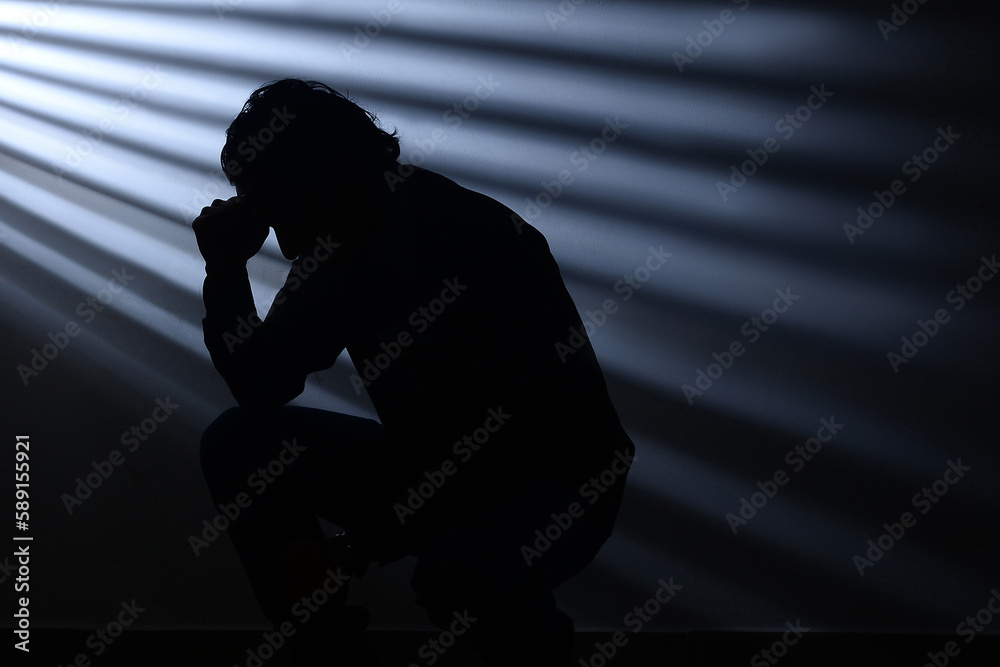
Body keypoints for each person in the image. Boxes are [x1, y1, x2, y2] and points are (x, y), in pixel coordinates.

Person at [194, 78, 635, 666]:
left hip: (555, 480)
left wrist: (355, 546)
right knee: (238, 443)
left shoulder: (466, 238)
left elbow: (495, 456)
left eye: (272, 199)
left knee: (459, 569)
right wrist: (225, 273)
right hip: (436, 463)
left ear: (318, 174)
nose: (271, 227)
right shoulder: (339, 242)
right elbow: (262, 387)